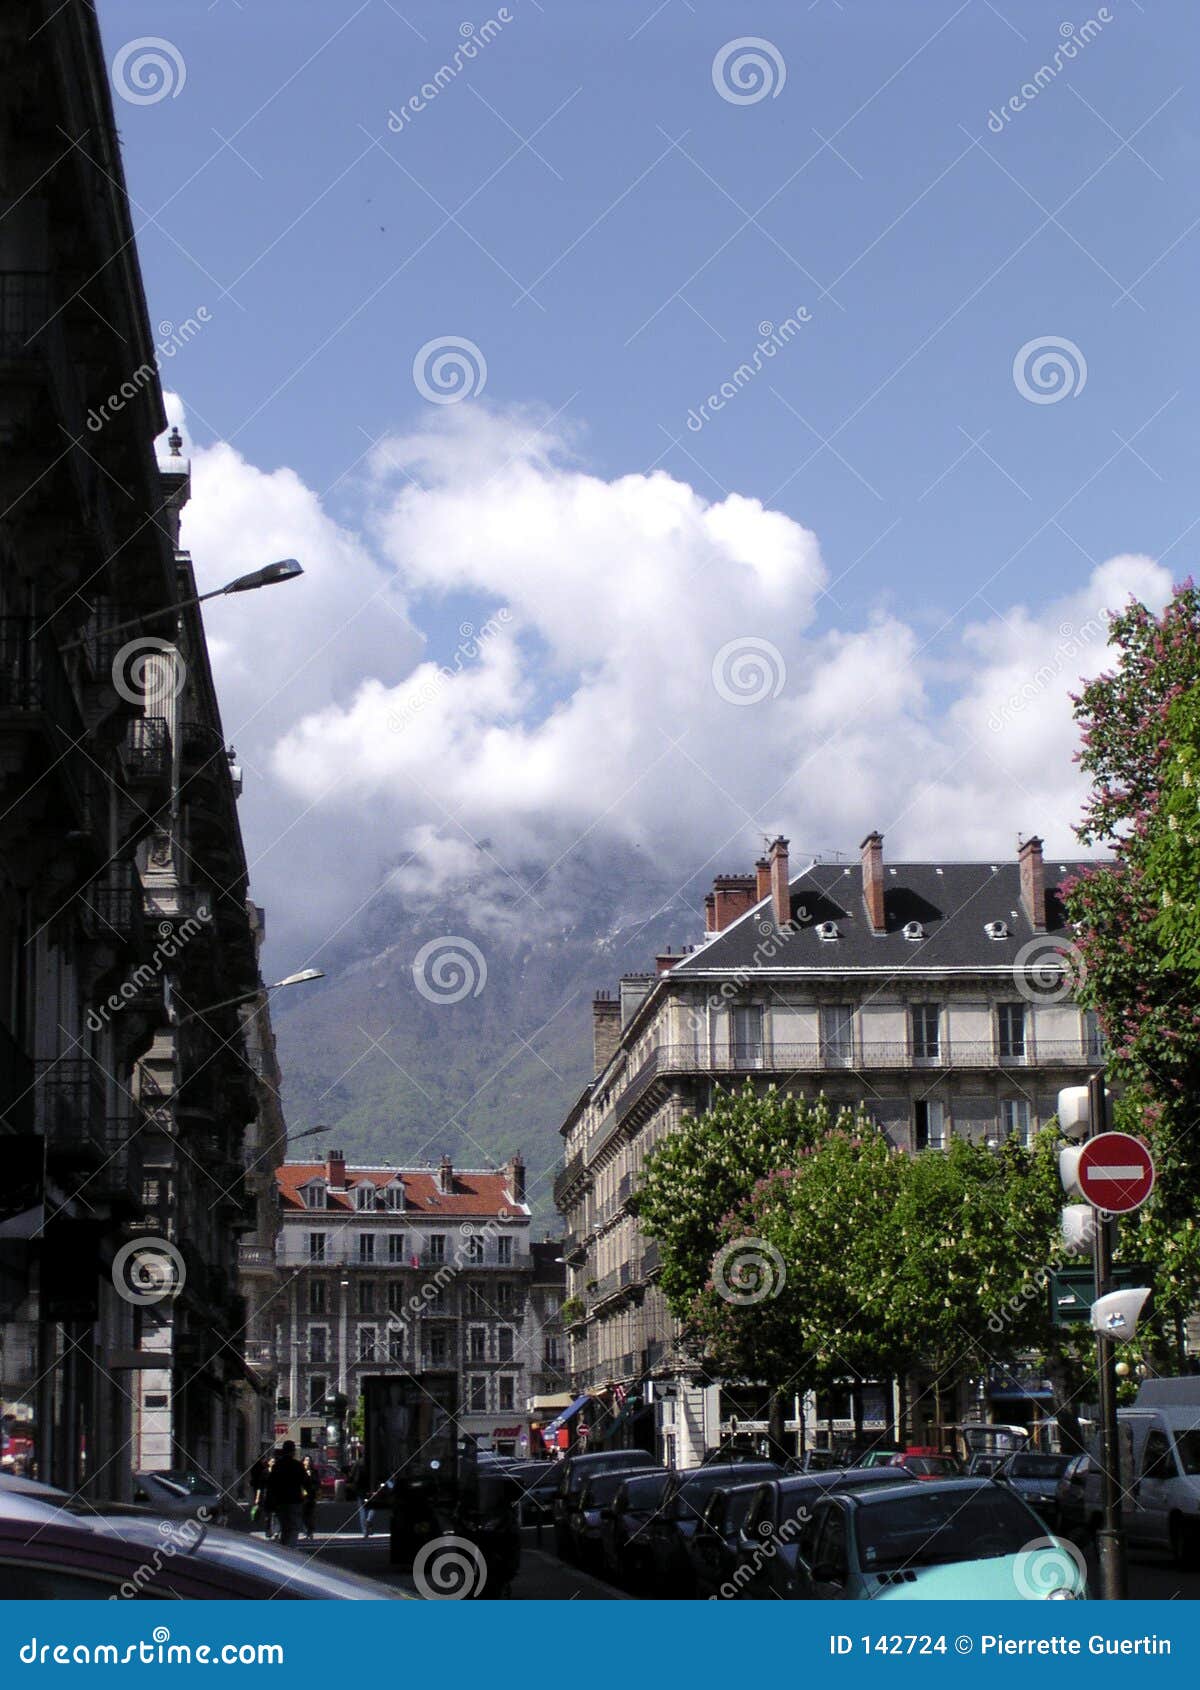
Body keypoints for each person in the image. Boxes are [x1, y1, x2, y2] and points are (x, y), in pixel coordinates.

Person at [265, 1441, 307, 1548]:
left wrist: (269, 1502)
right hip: (295, 1500)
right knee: (294, 1527)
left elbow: (271, 1484)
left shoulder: (277, 1466)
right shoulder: (297, 1465)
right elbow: (306, 1482)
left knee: (284, 1526)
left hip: (280, 1500)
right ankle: (290, 1548)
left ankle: (284, 1546)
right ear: (293, 1451)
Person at [347, 1453, 372, 1537]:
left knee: (362, 1510)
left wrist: (350, 1482)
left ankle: (365, 1531)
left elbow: (351, 1475)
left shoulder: (358, 1462)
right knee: (372, 1507)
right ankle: (369, 1519)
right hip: (370, 1487)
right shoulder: (373, 1462)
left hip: (360, 1488)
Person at [300, 1455, 320, 1541]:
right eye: (306, 1460)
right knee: (303, 1514)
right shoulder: (300, 1471)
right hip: (303, 1496)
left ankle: (310, 1532)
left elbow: (317, 1483)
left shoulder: (314, 1471)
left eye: (309, 1460)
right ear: (303, 1461)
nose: (308, 1462)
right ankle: (305, 1531)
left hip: (311, 1496)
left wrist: (316, 1490)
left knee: (311, 1515)